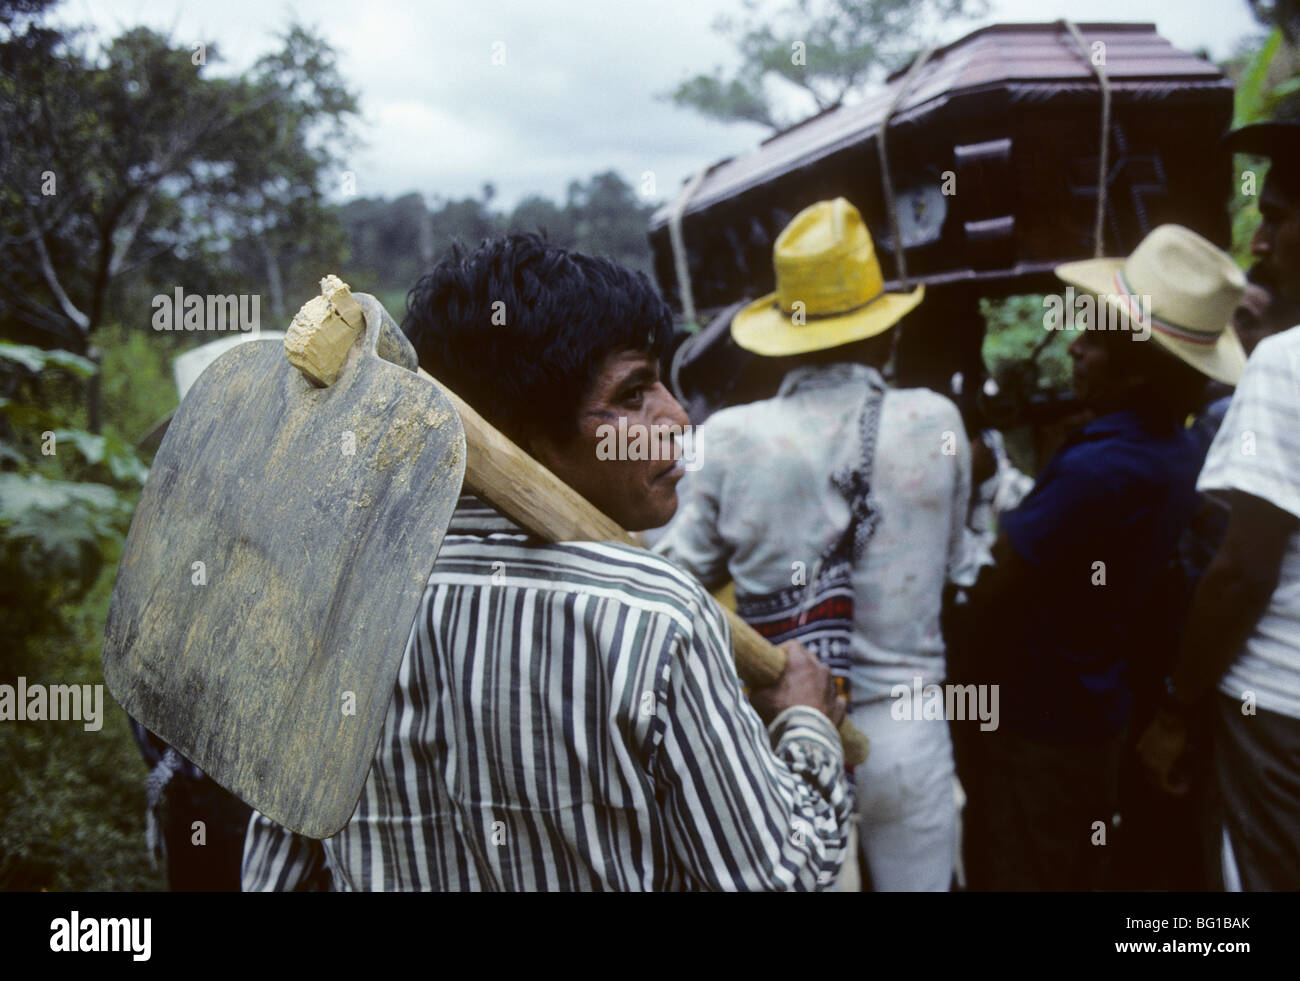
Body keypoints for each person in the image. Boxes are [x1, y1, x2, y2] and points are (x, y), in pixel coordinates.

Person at [241, 232, 853, 891]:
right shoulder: (656, 615)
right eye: (632, 395)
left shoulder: (326, 605)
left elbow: (274, 876)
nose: (676, 417)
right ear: (519, 436)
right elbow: (779, 877)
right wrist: (808, 724)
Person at [655, 198, 971, 892]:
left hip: (789, 735)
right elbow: (957, 565)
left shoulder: (730, 439)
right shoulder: (936, 421)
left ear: (784, 333)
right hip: (910, 731)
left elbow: (670, 583)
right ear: (883, 332)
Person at [967, 223, 1246, 891]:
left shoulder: (1100, 468)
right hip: (1099, 706)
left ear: (1135, 368)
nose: (1074, 350)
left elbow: (999, 577)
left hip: (1041, 718)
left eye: (1091, 342)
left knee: (1026, 862)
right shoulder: (1175, 452)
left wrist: (960, 687)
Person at [1138, 119, 1300, 890]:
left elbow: (1242, 572)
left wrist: (1174, 708)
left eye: (1276, 217)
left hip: (1277, 713)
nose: (1259, 241)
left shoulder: (1284, 363)